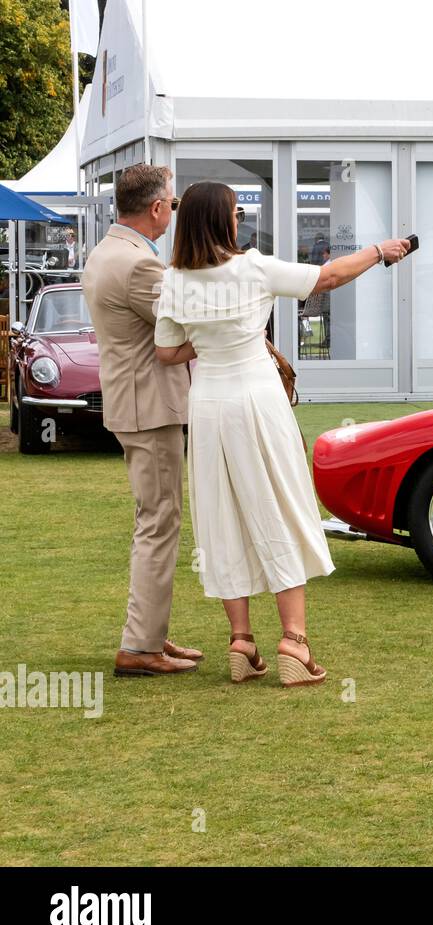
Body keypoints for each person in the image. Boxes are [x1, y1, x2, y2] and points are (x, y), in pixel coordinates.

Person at [153, 181, 409, 686]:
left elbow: (166, 352)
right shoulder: (253, 266)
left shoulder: (175, 280)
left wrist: (209, 344)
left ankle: (241, 641)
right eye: (235, 209)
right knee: (280, 505)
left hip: (208, 406)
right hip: (257, 399)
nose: (239, 216)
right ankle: (294, 641)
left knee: (222, 514)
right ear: (223, 219)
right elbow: (328, 277)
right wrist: (380, 250)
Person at [81, 164, 203, 677]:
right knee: (159, 522)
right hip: (148, 408)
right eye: (172, 204)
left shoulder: (105, 253)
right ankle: (140, 645)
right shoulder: (137, 265)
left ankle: (150, 633)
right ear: (156, 208)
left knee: (153, 520)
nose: (173, 212)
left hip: (136, 405)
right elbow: (179, 327)